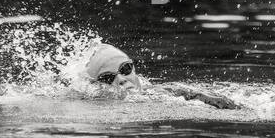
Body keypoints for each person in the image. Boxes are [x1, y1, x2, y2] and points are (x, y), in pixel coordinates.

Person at [83, 43, 239, 109]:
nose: (121, 80)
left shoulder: (166, 92)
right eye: (108, 78)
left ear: (134, 68)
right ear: (95, 85)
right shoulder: (88, 104)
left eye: (125, 69)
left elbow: (225, 103)